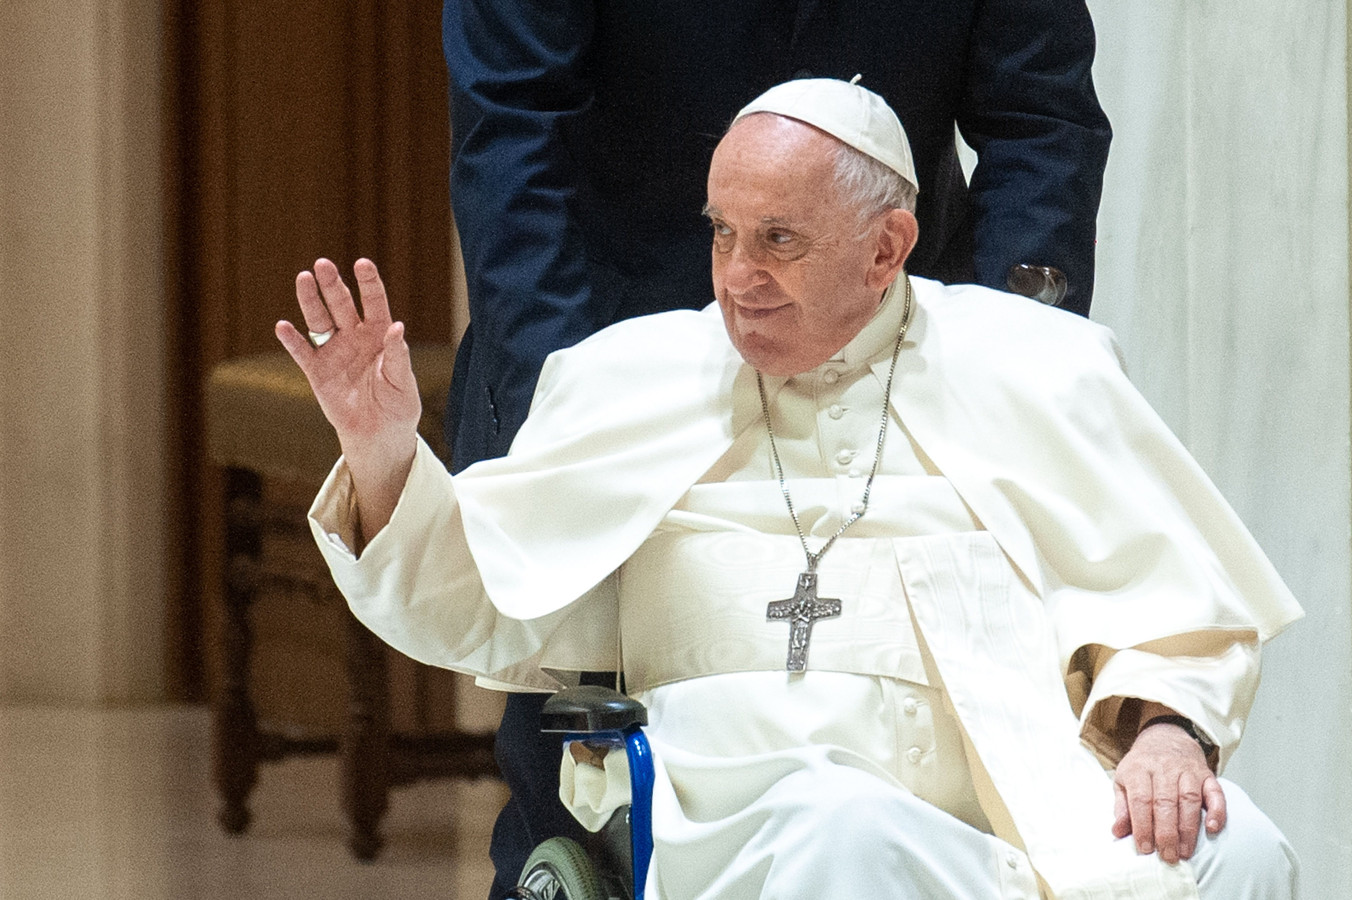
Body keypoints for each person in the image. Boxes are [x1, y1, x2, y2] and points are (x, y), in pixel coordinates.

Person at [279, 79, 1299, 898]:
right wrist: (381, 451)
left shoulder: (1036, 368)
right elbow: (477, 600)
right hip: (751, 809)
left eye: (778, 239)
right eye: (722, 232)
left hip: (1022, 798)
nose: (736, 275)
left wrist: (1166, 730)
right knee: (842, 831)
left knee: (1236, 851)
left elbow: (1173, 603)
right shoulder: (625, 380)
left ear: (886, 248)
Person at [442, 4, 1112, 887]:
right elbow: (513, 127)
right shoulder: (603, 390)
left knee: (924, 790)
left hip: (887, 372)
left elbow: (1040, 117)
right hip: (615, 351)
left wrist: (1004, 357)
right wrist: (580, 403)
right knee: (584, 806)